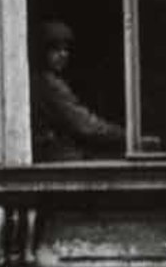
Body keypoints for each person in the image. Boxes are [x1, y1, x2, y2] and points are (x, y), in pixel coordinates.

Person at [31, 21, 146, 162]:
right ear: (42, 52)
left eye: (66, 49)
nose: (63, 54)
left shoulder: (44, 80)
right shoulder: (48, 83)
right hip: (58, 158)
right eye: (55, 49)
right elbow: (85, 125)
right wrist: (130, 137)